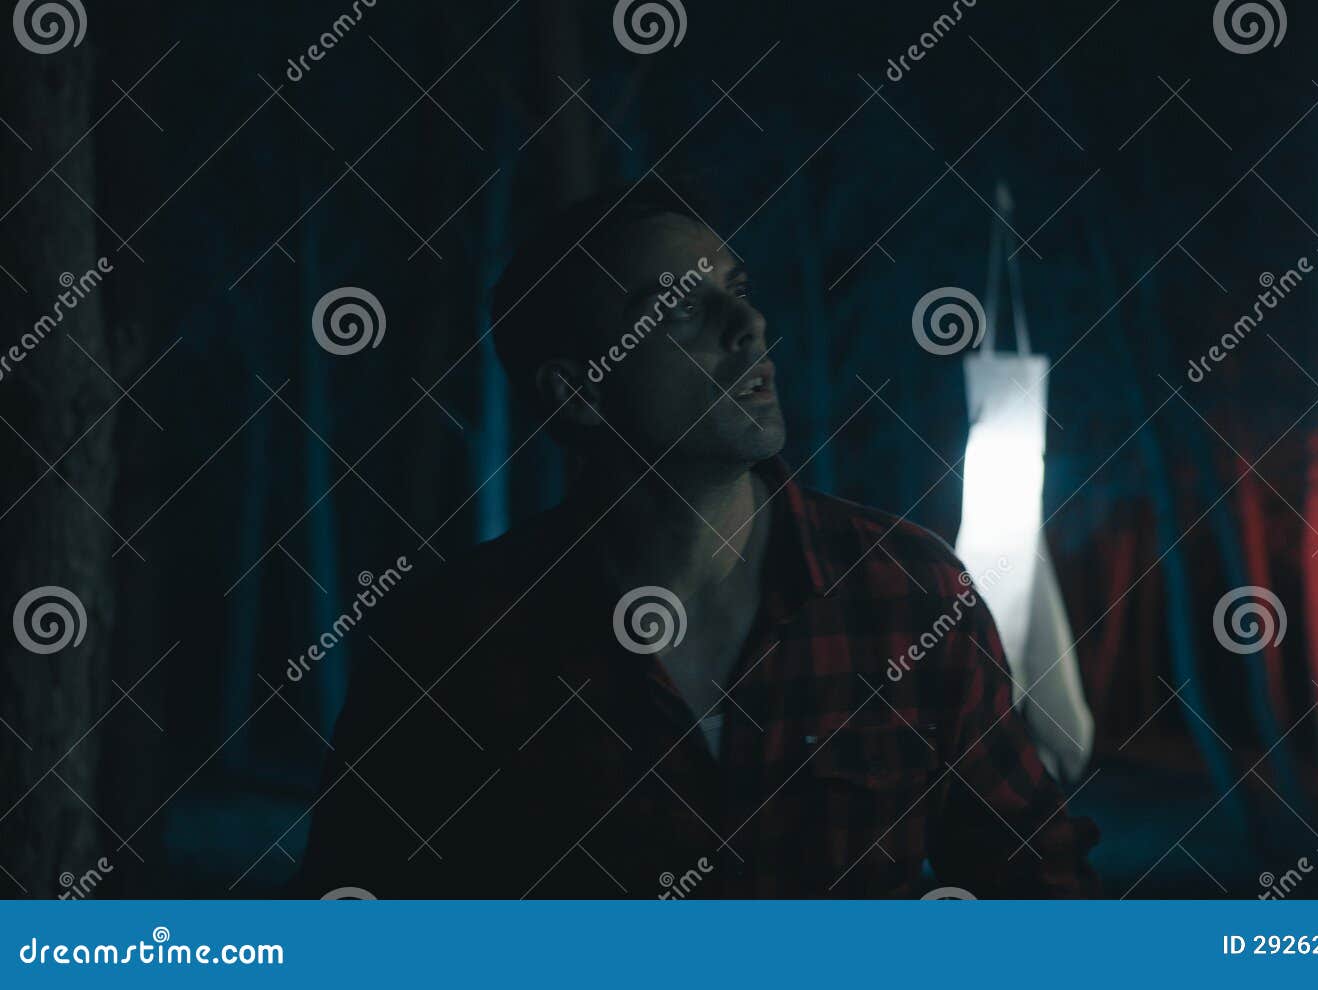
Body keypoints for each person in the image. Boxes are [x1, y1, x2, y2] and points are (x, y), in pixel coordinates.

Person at [297, 180, 1098, 898]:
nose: (748, 325)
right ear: (578, 394)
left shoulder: (910, 594)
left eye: (736, 289)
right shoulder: (452, 643)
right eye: (679, 307)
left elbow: (1041, 891)